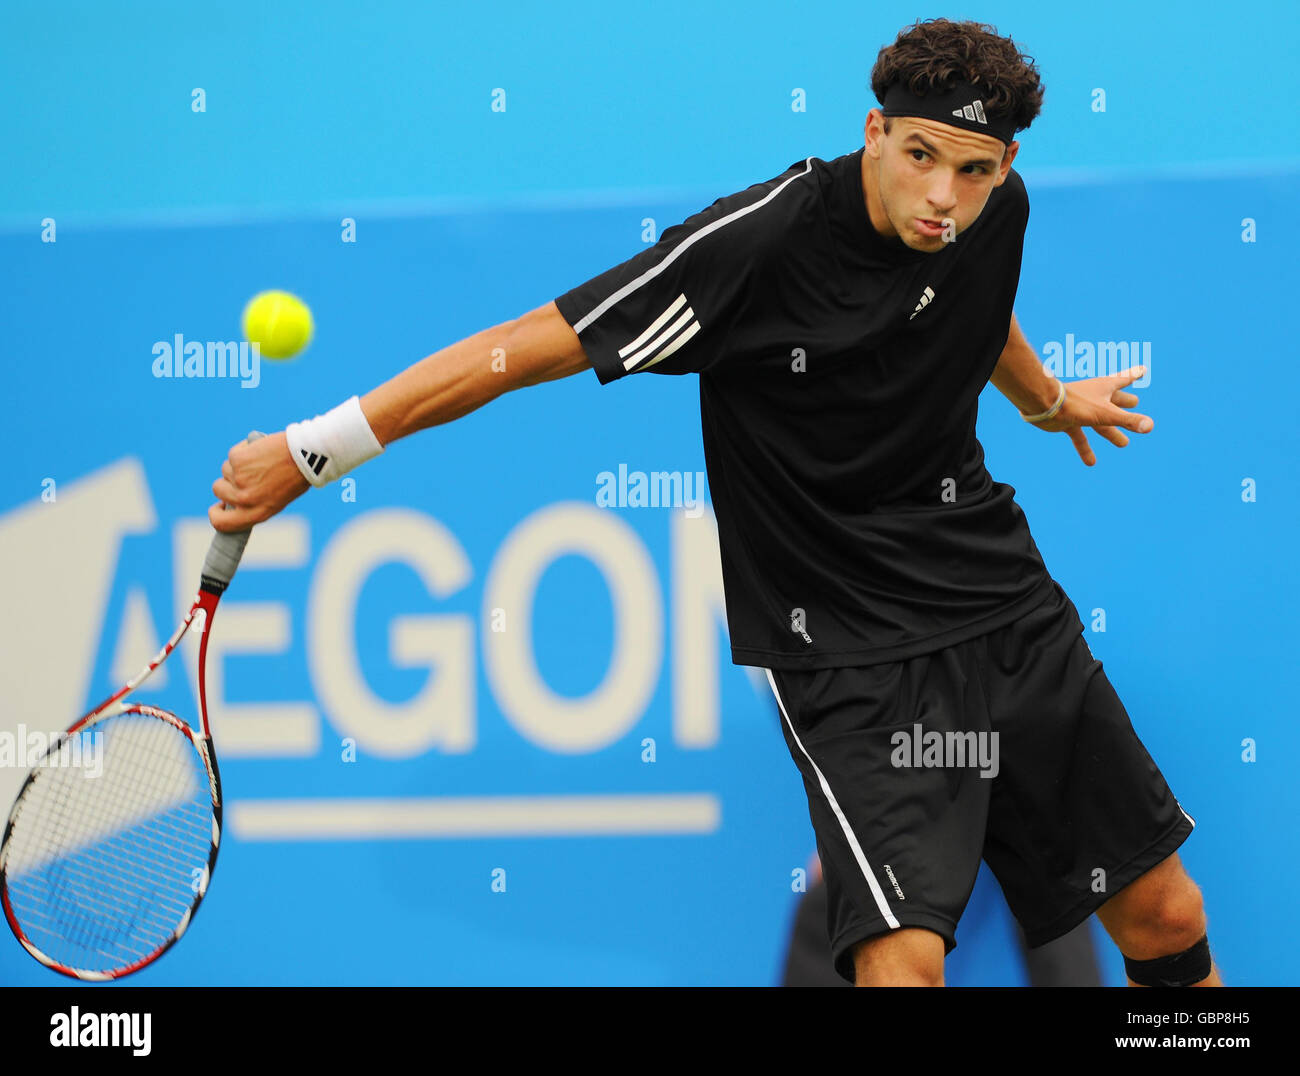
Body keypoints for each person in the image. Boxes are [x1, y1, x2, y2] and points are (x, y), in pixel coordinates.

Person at [209, 18, 1220, 988]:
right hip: (844, 649)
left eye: (974, 170)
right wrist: (314, 452)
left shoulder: (997, 210)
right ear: (872, 132)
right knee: (903, 960)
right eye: (919, 154)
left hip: (1001, 602)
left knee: (1166, 914)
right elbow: (523, 345)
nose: (943, 197)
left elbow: (975, 306)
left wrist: (1047, 401)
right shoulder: (757, 246)